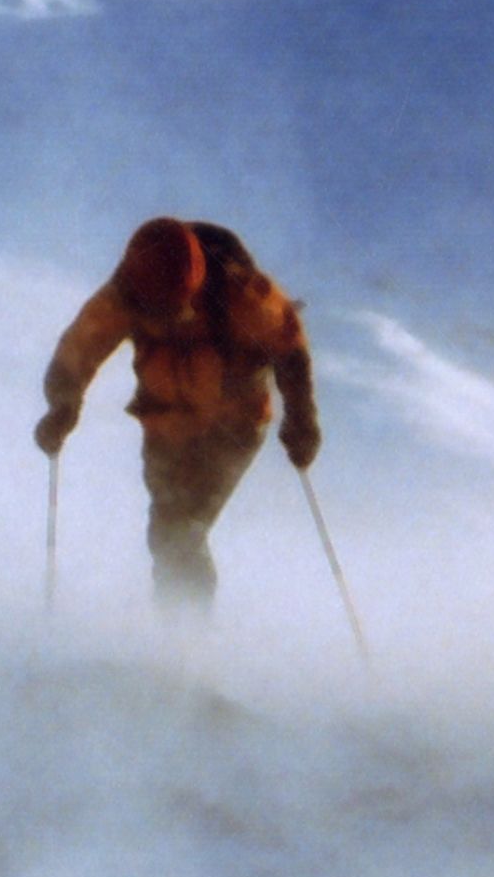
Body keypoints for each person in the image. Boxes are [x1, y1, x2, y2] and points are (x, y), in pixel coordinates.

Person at [36, 217, 318, 608]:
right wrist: (62, 409)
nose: (171, 317)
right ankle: (174, 635)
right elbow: (79, 350)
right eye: (159, 309)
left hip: (233, 426)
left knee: (181, 531)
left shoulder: (243, 294)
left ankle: (191, 641)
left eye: (178, 306)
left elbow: (290, 353)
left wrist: (301, 421)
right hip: (165, 425)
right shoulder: (124, 295)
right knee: (166, 532)